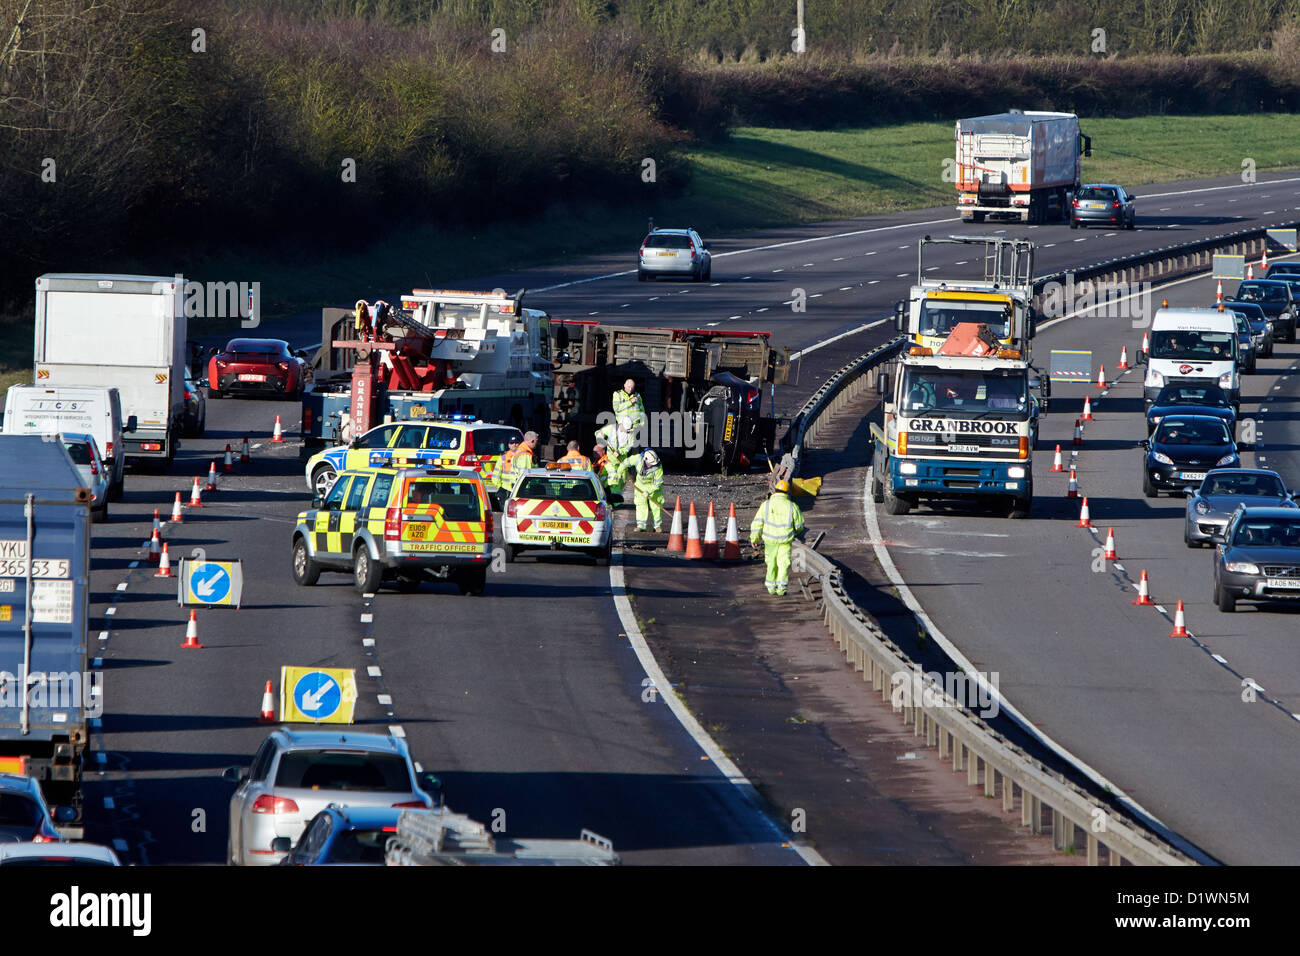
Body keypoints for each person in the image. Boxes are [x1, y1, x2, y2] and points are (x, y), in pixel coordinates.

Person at [750, 478, 805, 597]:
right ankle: (782, 588)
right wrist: (795, 531)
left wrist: (754, 539)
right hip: (785, 541)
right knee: (783, 563)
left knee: (771, 563)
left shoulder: (766, 505)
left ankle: (771, 587)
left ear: (775, 491)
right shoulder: (792, 506)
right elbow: (799, 525)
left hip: (770, 541)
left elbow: (757, 523)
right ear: (787, 492)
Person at [632, 450, 664, 532]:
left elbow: (657, 484)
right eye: (650, 463)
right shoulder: (638, 459)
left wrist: (648, 491)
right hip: (640, 486)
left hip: (654, 488)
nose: (652, 465)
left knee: (656, 506)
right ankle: (641, 526)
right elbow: (626, 463)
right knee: (641, 506)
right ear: (645, 459)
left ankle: (657, 526)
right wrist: (620, 471)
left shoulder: (658, 466)